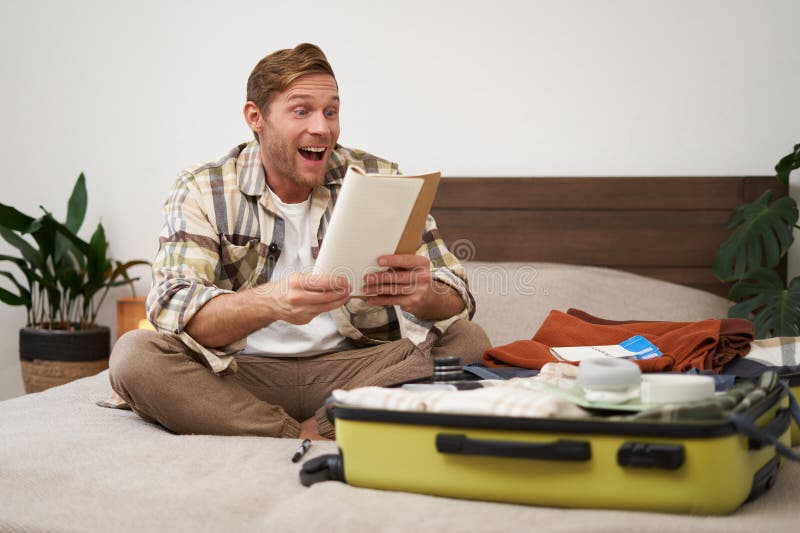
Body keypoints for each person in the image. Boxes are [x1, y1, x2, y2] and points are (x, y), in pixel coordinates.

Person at [108, 43, 490, 440]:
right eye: (302, 111)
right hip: (238, 373)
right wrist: (271, 301)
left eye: (331, 112)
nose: (322, 128)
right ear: (256, 117)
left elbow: (456, 292)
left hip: (356, 371)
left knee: (468, 341)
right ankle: (300, 432)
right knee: (134, 356)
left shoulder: (379, 177)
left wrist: (426, 295)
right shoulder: (205, 188)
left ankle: (322, 422)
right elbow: (172, 306)